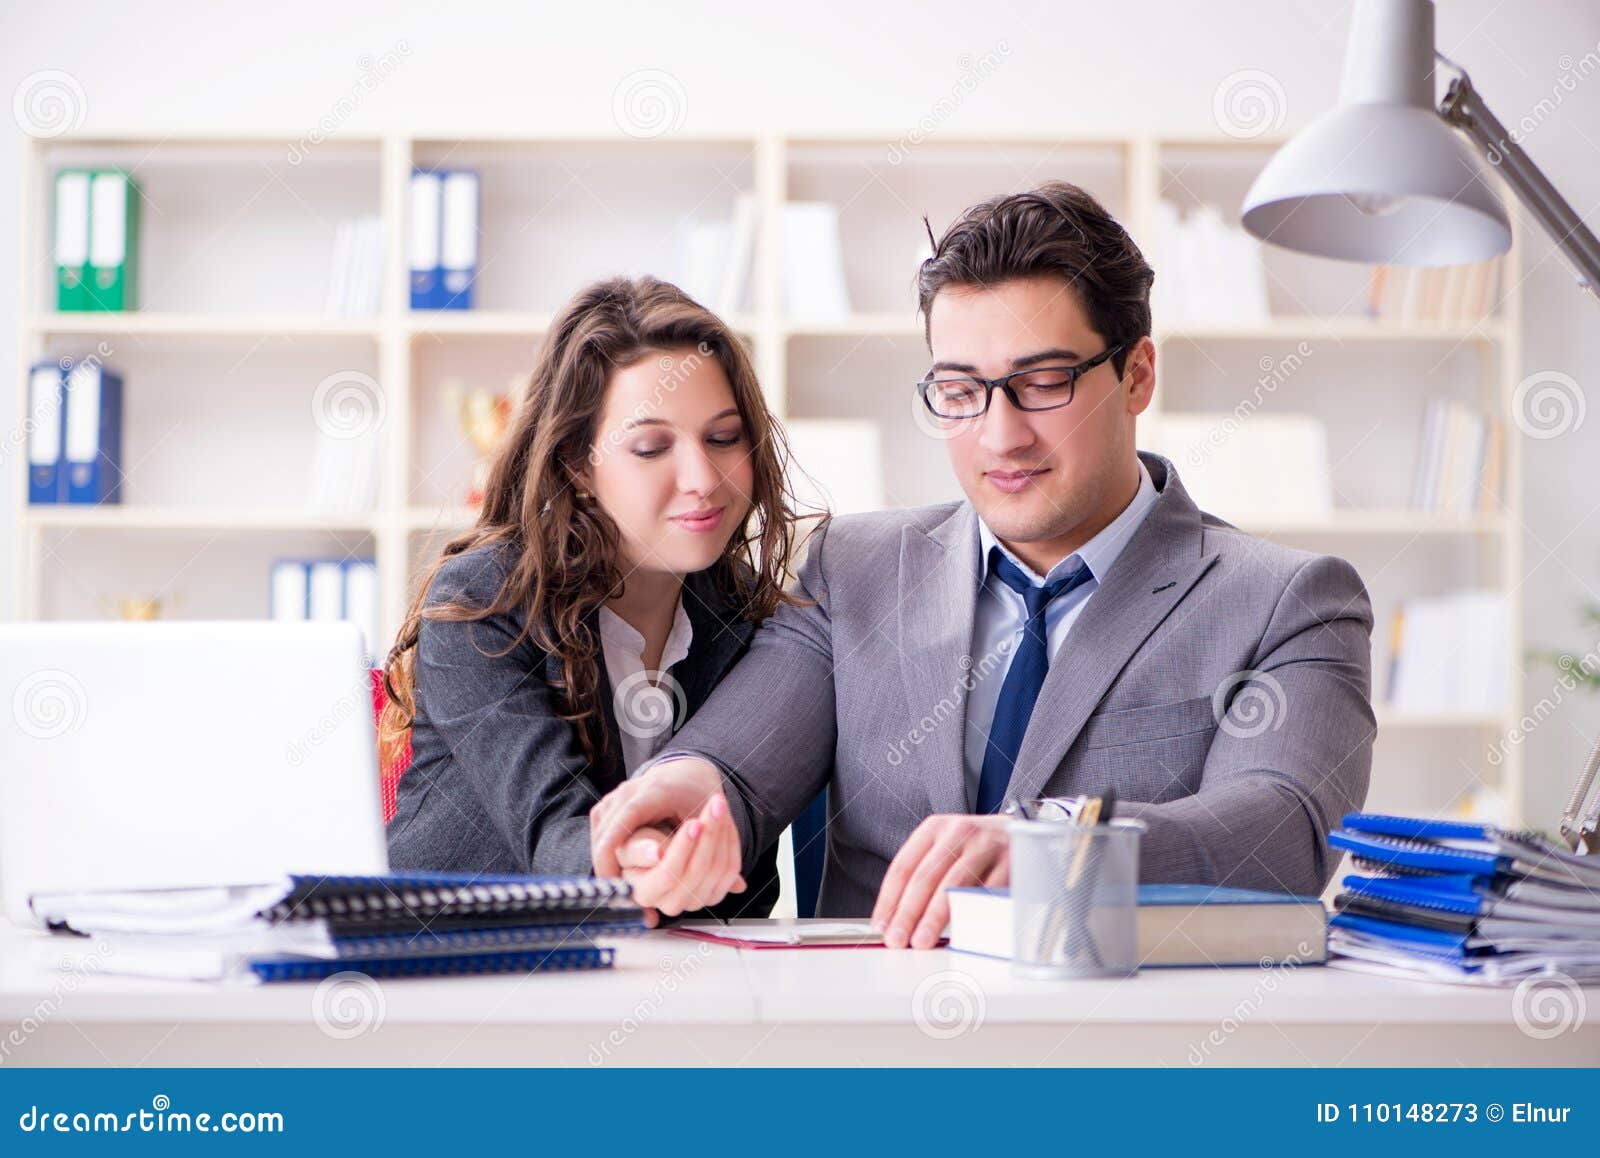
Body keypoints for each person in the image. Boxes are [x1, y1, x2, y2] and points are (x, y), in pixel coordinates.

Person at [590, 182, 1376, 944]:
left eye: (1041, 384)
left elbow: (1286, 830)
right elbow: (739, 763)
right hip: (874, 1043)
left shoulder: (1286, 600)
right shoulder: (854, 570)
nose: (1000, 437)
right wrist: (680, 798)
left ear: (1135, 376)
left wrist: (1053, 847)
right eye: (960, 391)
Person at [383, 275, 808, 920]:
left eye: (723, 438)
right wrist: (657, 858)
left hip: (669, 988)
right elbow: (556, 839)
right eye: (650, 447)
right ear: (580, 464)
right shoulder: (486, 601)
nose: (703, 480)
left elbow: (747, 880)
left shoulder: (752, 621)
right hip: (452, 973)